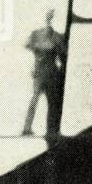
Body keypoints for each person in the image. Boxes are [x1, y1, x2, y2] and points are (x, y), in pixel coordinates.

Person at [22, 9, 67, 141]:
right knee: (48, 101)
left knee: (42, 100)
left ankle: (33, 128)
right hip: (47, 72)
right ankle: (46, 130)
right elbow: (62, 54)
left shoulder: (40, 35)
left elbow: (28, 45)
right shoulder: (54, 36)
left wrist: (38, 49)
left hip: (44, 72)